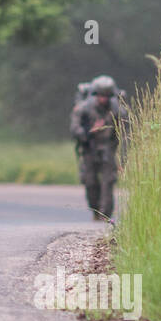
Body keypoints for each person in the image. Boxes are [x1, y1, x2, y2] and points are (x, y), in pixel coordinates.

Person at [69, 74, 127, 221]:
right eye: (101, 95)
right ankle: (95, 210)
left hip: (108, 148)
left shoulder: (117, 110)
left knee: (108, 180)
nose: (104, 98)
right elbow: (75, 129)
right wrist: (89, 133)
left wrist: (123, 156)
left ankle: (105, 213)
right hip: (89, 148)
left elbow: (125, 132)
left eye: (107, 95)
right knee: (90, 181)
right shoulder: (83, 109)